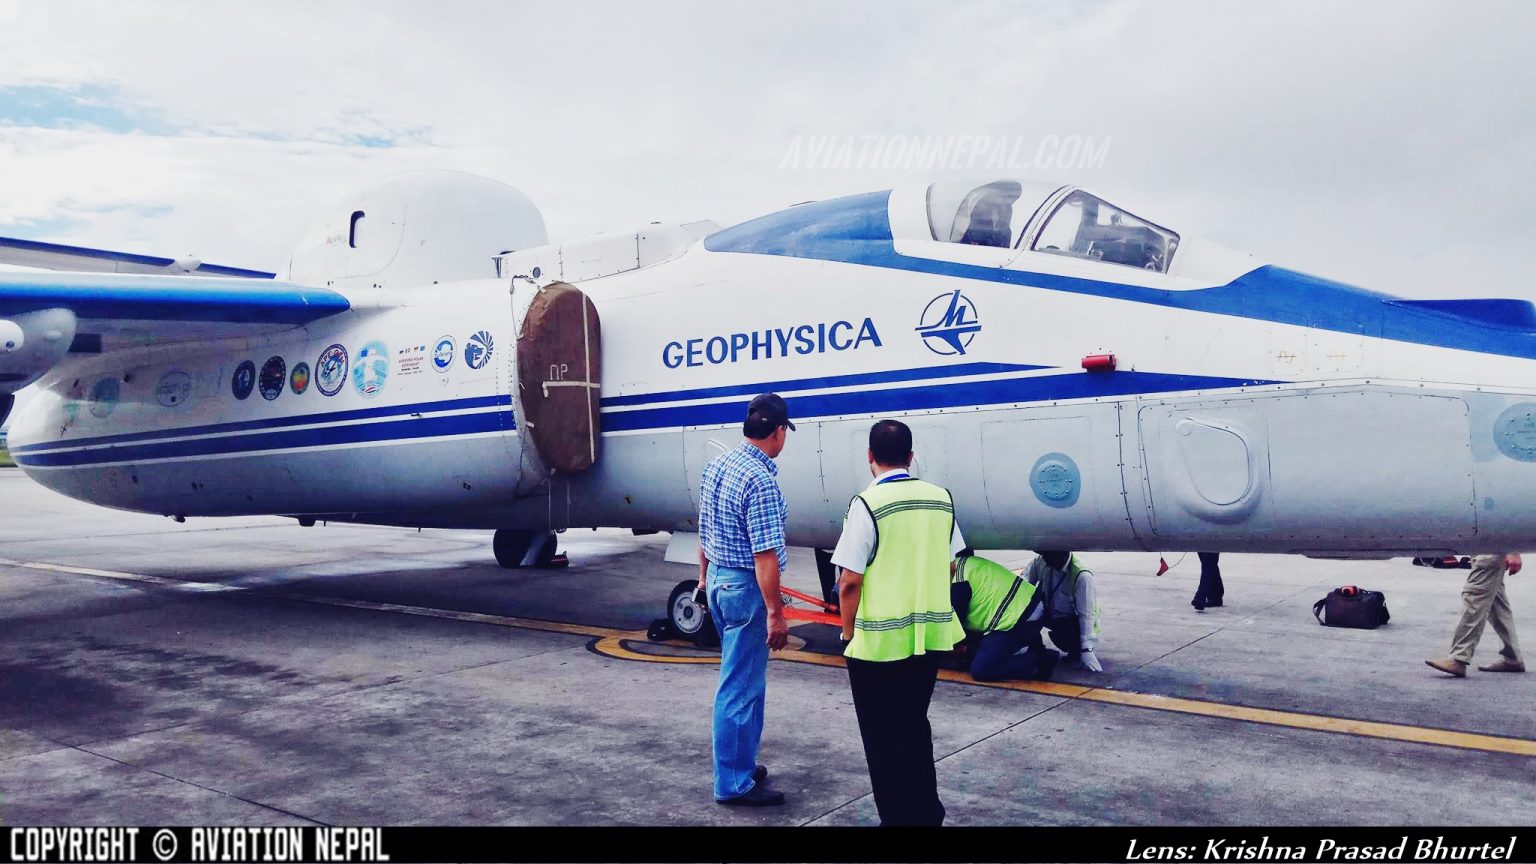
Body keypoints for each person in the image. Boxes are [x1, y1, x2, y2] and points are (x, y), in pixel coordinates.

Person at [832, 419, 967, 826]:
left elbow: (849, 580)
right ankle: (927, 813)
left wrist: (848, 632)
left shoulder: (867, 504)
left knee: (882, 740)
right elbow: (950, 564)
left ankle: (896, 819)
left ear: (870, 457)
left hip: (877, 646)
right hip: (927, 640)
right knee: (913, 727)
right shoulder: (940, 499)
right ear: (911, 456)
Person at [696, 393, 795, 806]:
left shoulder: (718, 465)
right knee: (740, 687)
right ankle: (733, 783)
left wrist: (704, 580)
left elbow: (704, 531)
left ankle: (742, 763)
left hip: (720, 581)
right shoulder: (760, 481)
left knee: (745, 680)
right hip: (745, 590)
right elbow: (765, 557)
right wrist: (775, 613)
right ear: (778, 432)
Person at [950, 552, 1056, 682]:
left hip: (1021, 617)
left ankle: (1039, 661)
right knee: (971, 651)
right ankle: (1032, 646)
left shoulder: (956, 582)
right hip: (1025, 605)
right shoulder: (959, 565)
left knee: (981, 670)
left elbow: (953, 629)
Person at [1426, 553, 1525, 677]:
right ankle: (1513, 658)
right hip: (1485, 550)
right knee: (1496, 604)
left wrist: (1513, 551)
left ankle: (1459, 658)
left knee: (1475, 597)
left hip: (1492, 551)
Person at [1031, 551, 1104, 673]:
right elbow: (1023, 582)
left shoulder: (1082, 575)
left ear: (1064, 554)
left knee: (1068, 639)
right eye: (1044, 555)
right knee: (1025, 613)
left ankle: (1076, 649)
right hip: (1049, 611)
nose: (1045, 559)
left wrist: (1087, 650)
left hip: (1070, 619)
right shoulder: (1042, 561)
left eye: (1049, 556)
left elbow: (1086, 614)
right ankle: (1037, 650)